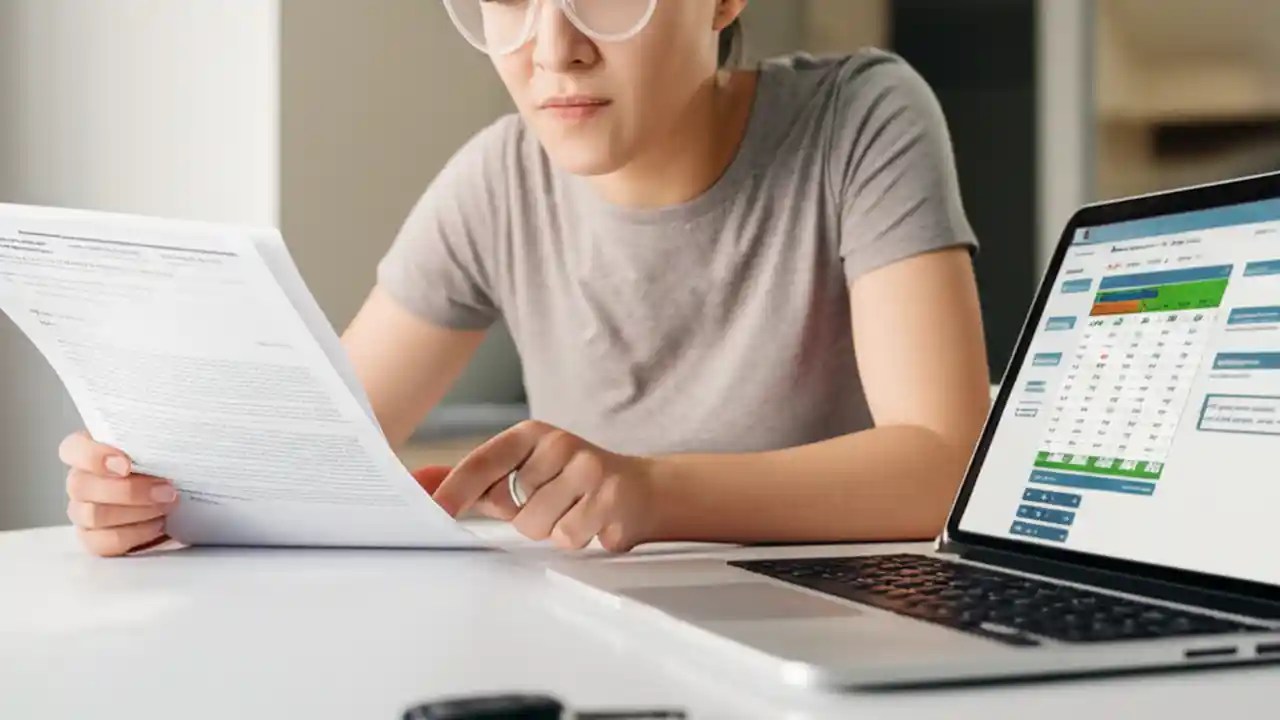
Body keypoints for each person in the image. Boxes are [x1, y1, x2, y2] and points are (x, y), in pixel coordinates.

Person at [58, 0, 990, 557]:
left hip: (840, 628)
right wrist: (157, 499)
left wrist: (655, 492)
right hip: (600, 627)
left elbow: (946, 464)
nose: (553, 50)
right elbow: (310, 448)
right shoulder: (499, 178)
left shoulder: (860, 119)